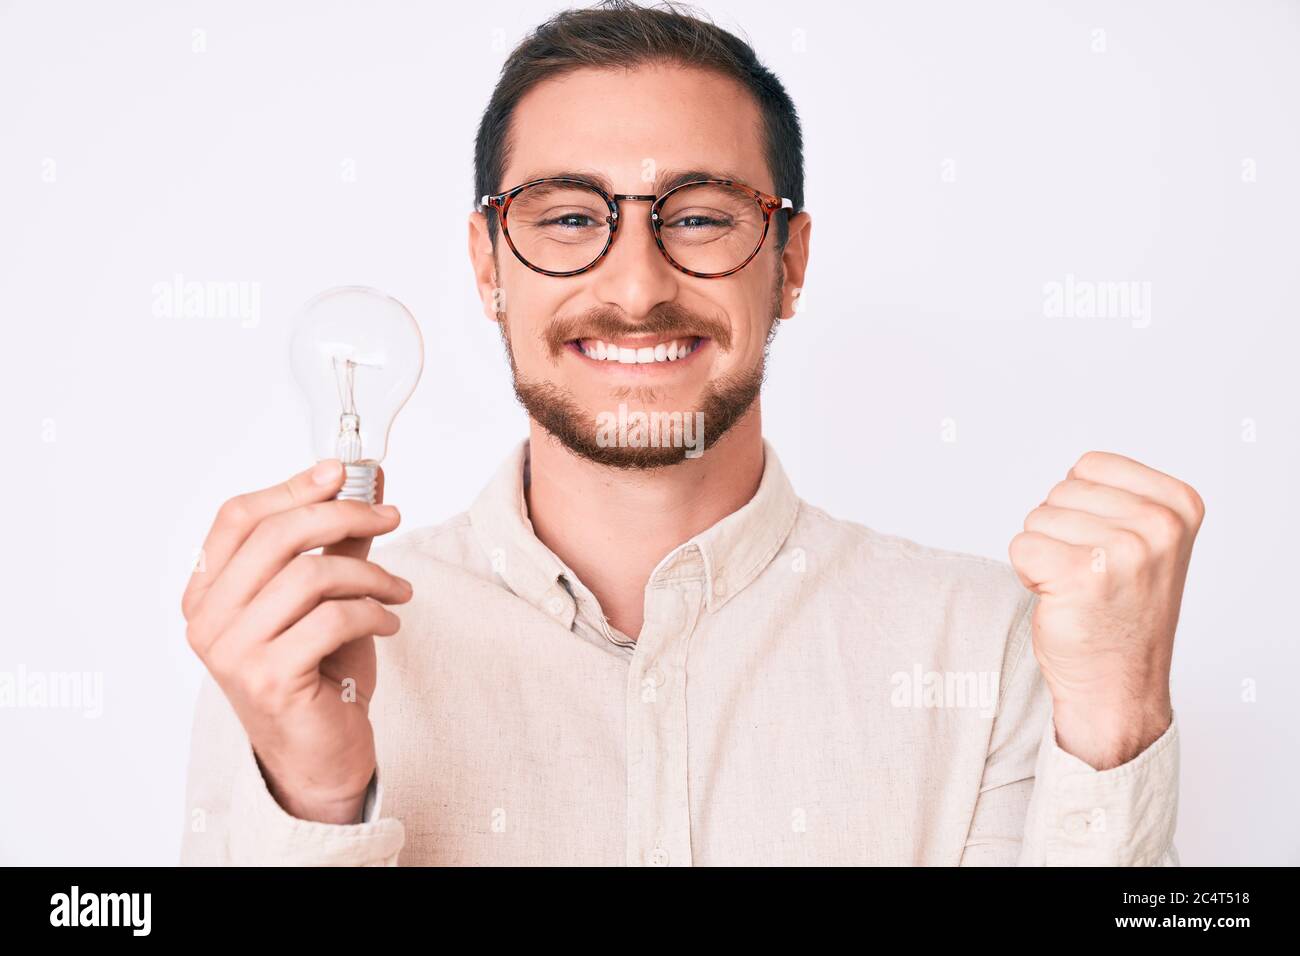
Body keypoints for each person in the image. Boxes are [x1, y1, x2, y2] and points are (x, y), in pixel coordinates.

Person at [179, 0, 1202, 866]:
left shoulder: (992, 645)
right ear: (489, 264)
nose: (636, 286)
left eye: (702, 217)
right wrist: (316, 800)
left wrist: (1113, 728)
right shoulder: (303, 652)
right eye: (570, 217)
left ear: (789, 262)